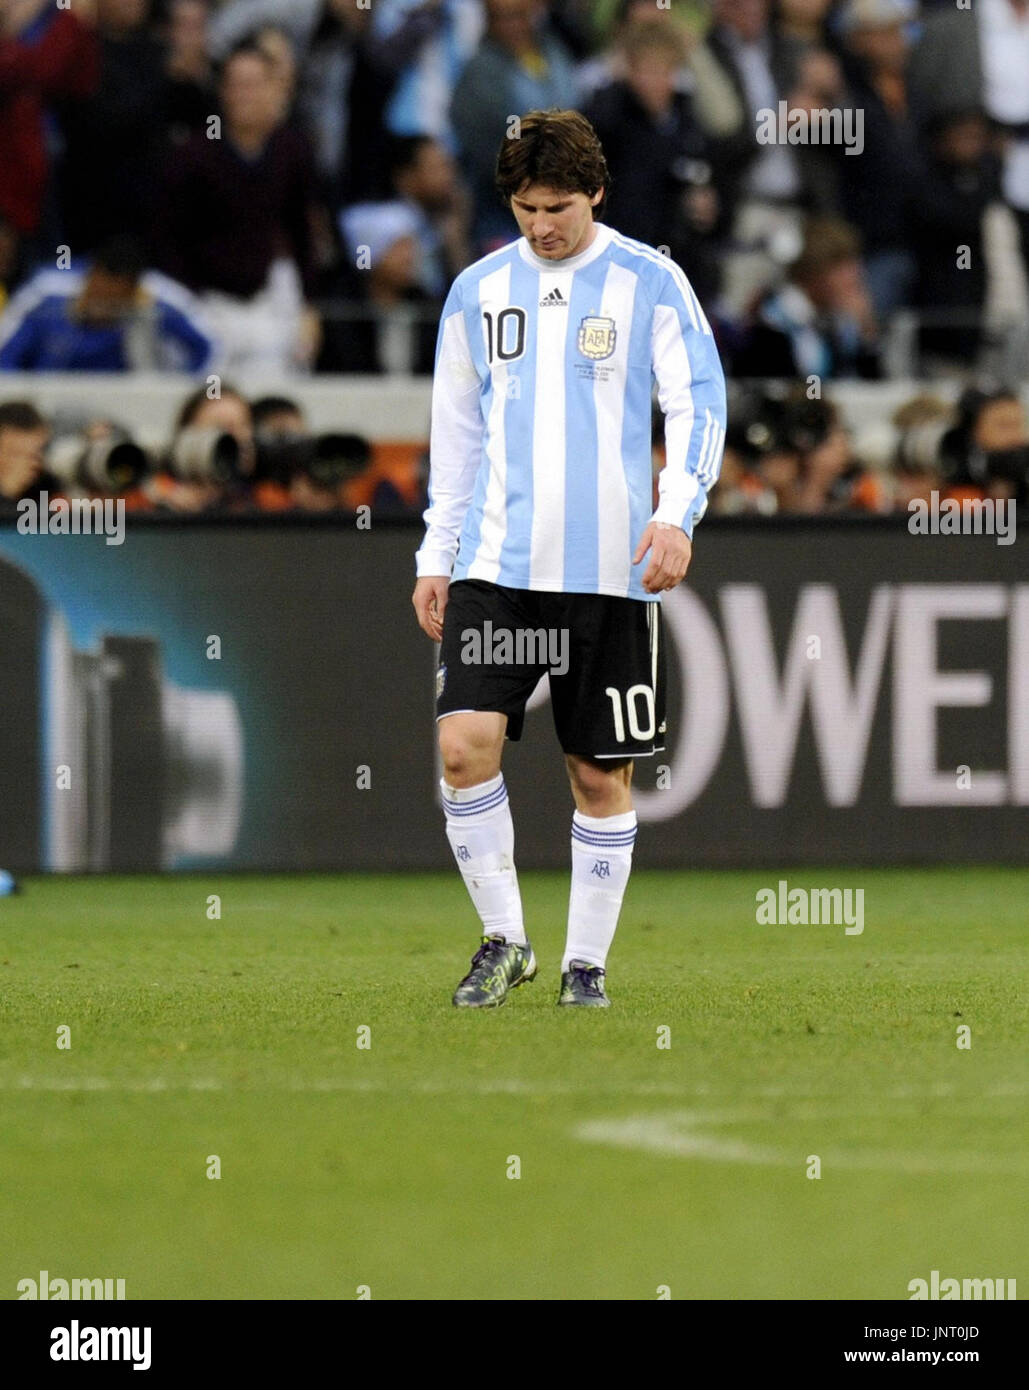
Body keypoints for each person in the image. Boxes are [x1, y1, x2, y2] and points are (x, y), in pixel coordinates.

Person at [411, 108, 726, 1009]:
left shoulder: (651, 282)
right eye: (523, 208)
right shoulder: (476, 290)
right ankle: (503, 941)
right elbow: (456, 437)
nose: (540, 226)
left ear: (595, 191)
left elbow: (697, 405)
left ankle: (584, 965)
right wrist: (437, 551)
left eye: (556, 206)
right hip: (496, 571)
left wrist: (676, 515)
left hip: (609, 574)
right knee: (463, 749)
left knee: (597, 776)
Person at [0, 235, 215, 372]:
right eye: (96, 297)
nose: (100, 309)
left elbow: (211, 347)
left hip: (127, 395)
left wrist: (183, 393)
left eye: (112, 302)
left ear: (132, 291)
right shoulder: (47, 290)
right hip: (50, 391)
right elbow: (5, 351)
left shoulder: (163, 300)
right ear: (90, 277)